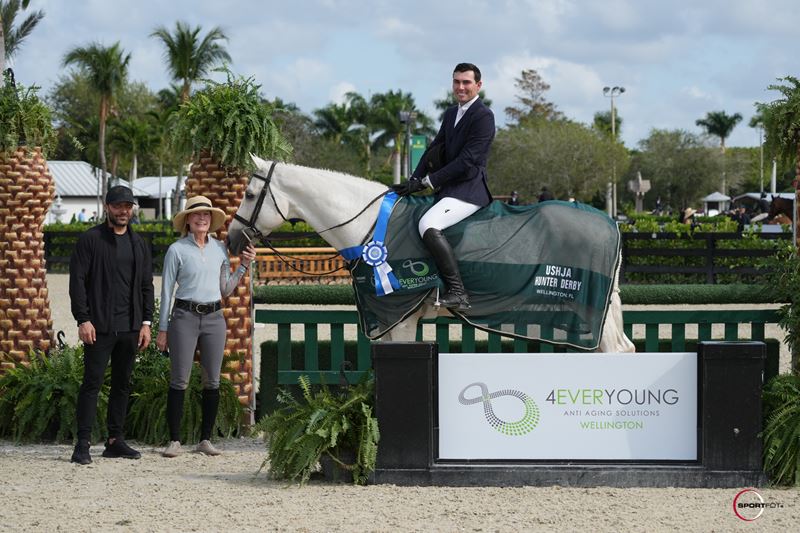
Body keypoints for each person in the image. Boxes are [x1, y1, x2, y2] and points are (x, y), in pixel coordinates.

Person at [156, 195, 256, 457]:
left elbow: (225, 288)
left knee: (212, 380)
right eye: (196, 214)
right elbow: (166, 292)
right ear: (187, 220)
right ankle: (175, 440)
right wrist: (162, 329)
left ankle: (205, 439)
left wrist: (244, 266)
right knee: (180, 379)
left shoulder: (220, 249)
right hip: (184, 317)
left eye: (206, 215)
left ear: (211, 221)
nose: (202, 218)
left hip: (214, 318)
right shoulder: (176, 250)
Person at [392, 62, 495, 310]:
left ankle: (458, 291)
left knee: (429, 223)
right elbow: (433, 149)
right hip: (449, 189)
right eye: (457, 82)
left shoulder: (483, 116)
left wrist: (429, 181)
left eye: (466, 82)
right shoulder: (451, 113)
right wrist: (414, 180)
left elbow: (467, 161)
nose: (461, 87)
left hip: (469, 190)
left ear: (478, 85)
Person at [69, 186, 154, 465]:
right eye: (118, 206)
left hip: (130, 327)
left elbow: (146, 285)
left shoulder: (138, 243)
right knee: (91, 384)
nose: (123, 211)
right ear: (108, 207)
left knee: (122, 384)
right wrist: (83, 319)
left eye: (128, 206)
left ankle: (115, 441)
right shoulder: (90, 240)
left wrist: (146, 323)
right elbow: (77, 282)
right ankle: (82, 444)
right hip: (99, 326)